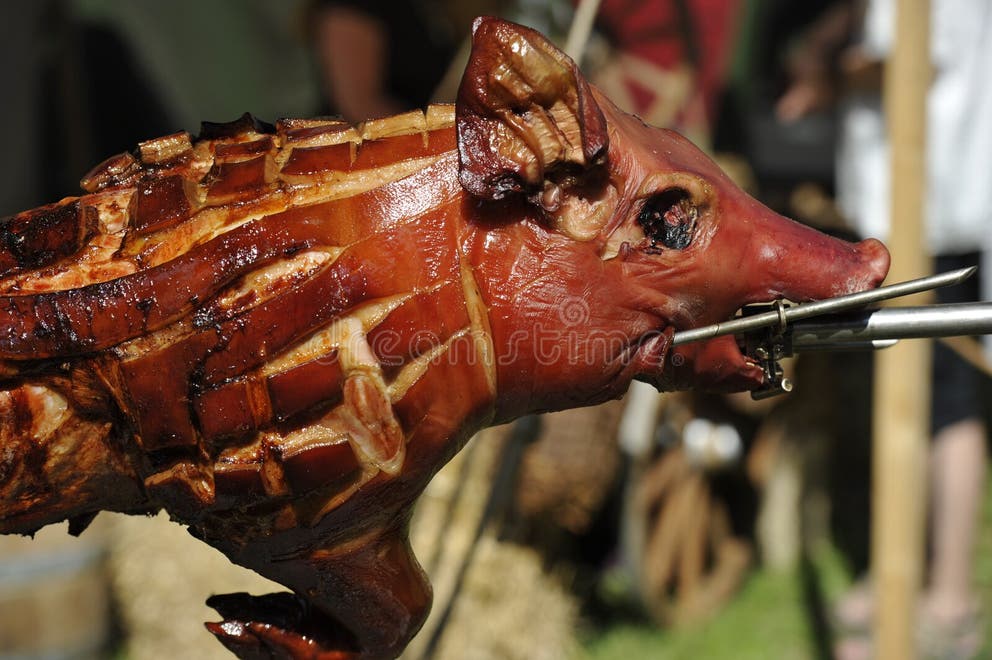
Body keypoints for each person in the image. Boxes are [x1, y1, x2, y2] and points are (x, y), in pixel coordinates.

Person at [779, 1, 992, 658]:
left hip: (935, 210)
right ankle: (897, 570)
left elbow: (921, 59)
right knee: (901, 395)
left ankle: (947, 599)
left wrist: (830, 71)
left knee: (947, 404)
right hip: (903, 210)